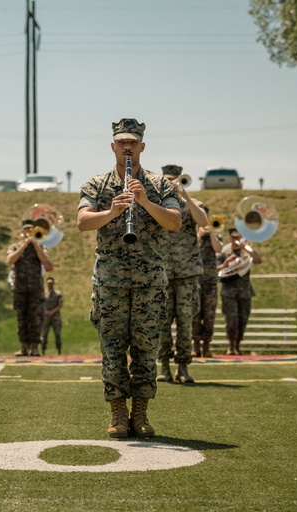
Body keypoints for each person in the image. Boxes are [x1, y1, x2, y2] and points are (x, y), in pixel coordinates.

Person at [76, 118, 181, 438]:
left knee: (146, 348)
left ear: (142, 147)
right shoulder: (96, 184)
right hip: (110, 281)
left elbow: (175, 222)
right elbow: (83, 221)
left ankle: (141, 414)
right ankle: (118, 413)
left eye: (132, 142)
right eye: (121, 142)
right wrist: (112, 212)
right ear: (112, 146)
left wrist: (145, 202)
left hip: (149, 281)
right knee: (112, 349)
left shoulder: (161, 185)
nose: (127, 147)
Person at [157, 165, 208, 384]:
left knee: (186, 322)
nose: (172, 183)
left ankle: (183, 367)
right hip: (163, 273)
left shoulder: (192, 203)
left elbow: (204, 222)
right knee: (163, 322)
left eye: (175, 180)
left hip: (187, 272)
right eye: (167, 180)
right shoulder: (157, 204)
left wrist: (184, 194)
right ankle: (165, 366)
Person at [6, 219, 54, 356]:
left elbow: (47, 264)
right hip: (20, 288)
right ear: (22, 232)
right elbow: (10, 260)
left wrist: (35, 245)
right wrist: (24, 245)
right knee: (22, 318)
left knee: (35, 318)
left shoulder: (40, 246)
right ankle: (23, 346)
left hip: (35, 288)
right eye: (26, 230)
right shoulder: (15, 246)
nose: (28, 232)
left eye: (30, 230)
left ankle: (34, 347)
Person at [217, 228, 262, 355]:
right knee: (232, 320)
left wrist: (245, 248)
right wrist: (226, 263)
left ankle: (238, 344)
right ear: (230, 238)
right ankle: (231, 346)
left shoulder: (246, 251)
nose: (235, 240)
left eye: (238, 237)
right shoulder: (225, 251)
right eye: (233, 237)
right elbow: (217, 268)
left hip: (244, 291)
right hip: (229, 292)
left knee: (243, 319)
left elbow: (258, 260)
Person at [192, 206, 222, 357]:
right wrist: (198, 234)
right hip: (195, 280)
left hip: (210, 281)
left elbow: (218, 249)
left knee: (209, 316)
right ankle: (195, 346)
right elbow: (189, 250)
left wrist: (211, 234)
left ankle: (206, 346)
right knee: (195, 316)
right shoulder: (191, 232)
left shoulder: (215, 231)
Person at [40, 276, 63, 355]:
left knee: (57, 334)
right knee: (44, 335)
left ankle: (59, 350)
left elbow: (60, 305)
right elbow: (40, 304)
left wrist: (52, 312)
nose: (50, 284)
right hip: (45, 316)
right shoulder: (43, 294)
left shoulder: (57, 294)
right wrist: (45, 311)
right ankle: (43, 350)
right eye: (48, 283)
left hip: (55, 316)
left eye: (51, 283)